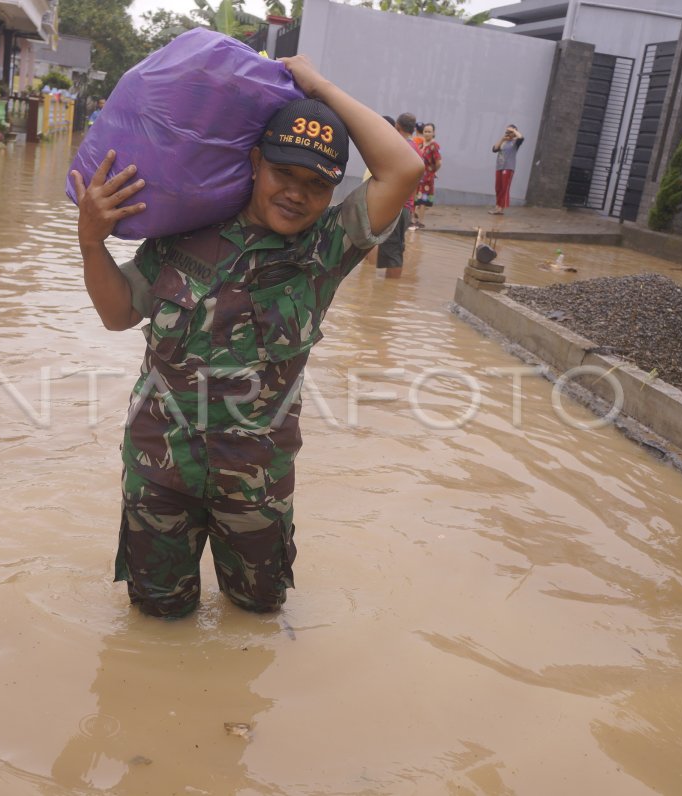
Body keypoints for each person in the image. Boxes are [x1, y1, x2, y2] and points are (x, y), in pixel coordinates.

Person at [69, 56, 423, 619]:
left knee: (257, 616)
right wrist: (92, 244)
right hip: (160, 468)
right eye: (285, 173)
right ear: (256, 162)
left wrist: (322, 86)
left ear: (332, 193)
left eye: (317, 184)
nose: (297, 194)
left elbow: (403, 169)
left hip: (257, 480)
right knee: (157, 620)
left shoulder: (325, 251)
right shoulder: (185, 230)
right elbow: (117, 315)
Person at [374, 112, 420, 278]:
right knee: (395, 248)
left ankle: (388, 295)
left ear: (397, 127)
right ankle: (389, 294)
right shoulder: (416, 149)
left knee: (393, 252)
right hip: (406, 206)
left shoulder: (400, 147)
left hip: (397, 206)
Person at [412, 121, 441, 228]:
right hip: (418, 176)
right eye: (425, 131)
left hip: (427, 178)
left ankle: (420, 221)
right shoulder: (420, 144)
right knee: (415, 198)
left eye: (429, 131)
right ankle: (412, 219)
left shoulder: (434, 146)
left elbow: (439, 162)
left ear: (433, 133)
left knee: (423, 200)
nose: (427, 133)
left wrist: (432, 171)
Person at [490, 123, 524, 215]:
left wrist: (514, 130)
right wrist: (502, 139)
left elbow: (521, 138)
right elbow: (494, 149)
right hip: (499, 167)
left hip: (508, 168)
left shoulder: (515, 142)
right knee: (498, 188)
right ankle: (497, 206)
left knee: (505, 188)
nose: (508, 133)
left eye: (510, 132)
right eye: (507, 132)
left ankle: (500, 208)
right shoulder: (504, 142)